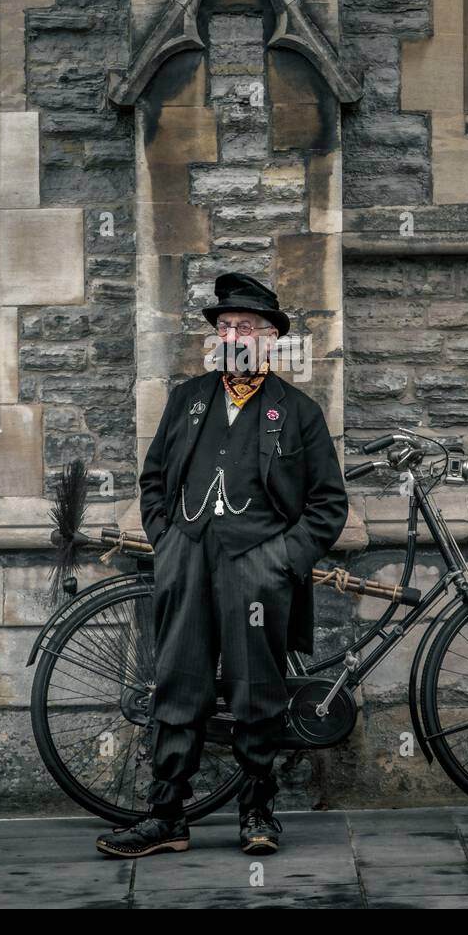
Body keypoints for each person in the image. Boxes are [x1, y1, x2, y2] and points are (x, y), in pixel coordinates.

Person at [96, 272, 348, 858]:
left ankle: (257, 812)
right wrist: (167, 540)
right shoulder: (187, 400)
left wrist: (279, 562)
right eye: (224, 326)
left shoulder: (299, 411)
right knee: (178, 685)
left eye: (245, 326)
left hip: (256, 570)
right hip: (187, 559)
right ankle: (166, 817)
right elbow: (154, 477)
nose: (232, 335)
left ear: (269, 338)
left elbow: (328, 504)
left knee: (256, 691)